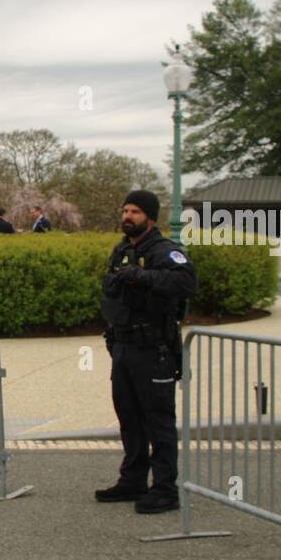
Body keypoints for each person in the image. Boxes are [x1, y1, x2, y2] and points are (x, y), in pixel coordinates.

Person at [95, 190, 197, 514]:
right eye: (125, 210)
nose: (128, 216)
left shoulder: (166, 251)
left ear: (151, 218)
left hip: (153, 349)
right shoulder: (123, 249)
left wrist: (142, 276)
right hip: (123, 347)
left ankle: (165, 489)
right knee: (130, 418)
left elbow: (186, 282)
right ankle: (133, 480)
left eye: (135, 211)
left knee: (159, 422)